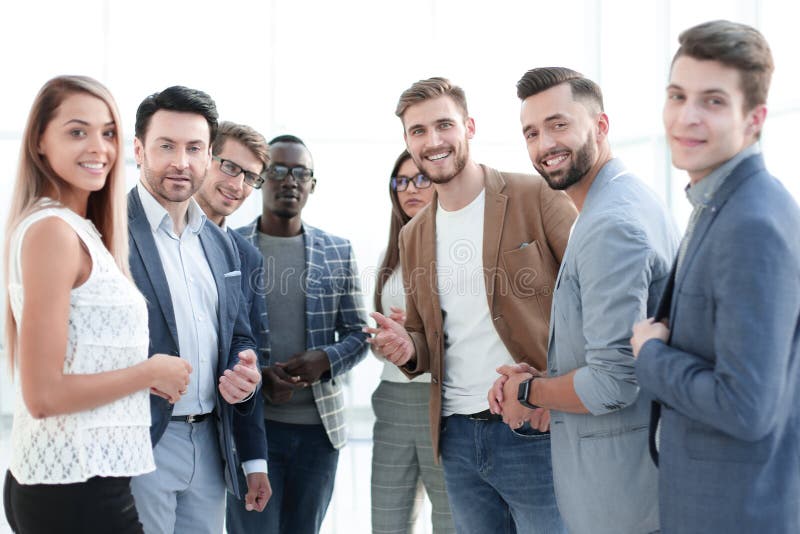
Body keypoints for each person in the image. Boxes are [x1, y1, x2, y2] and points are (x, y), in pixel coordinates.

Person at [367, 77, 576, 534]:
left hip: (532, 426)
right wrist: (409, 347)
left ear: (470, 127)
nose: (433, 141)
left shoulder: (535, 195)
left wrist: (555, 392)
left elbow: (590, 297)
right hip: (457, 437)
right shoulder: (414, 234)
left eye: (444, 125)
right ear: (407, 141)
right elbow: (429, 336)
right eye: (418, 131)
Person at [488, 67, 678, 534]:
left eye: (559, 125)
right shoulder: (619, 201)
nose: (544, 144)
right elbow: (620, 353)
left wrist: (527, 392)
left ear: (601, 126)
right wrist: (546, 382)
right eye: (531, 133)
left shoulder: (610, 224)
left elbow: (613, 383)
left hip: (625, 500)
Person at [630, 20, 800, 532]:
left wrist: (650, 355)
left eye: (714, 101)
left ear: (754, 119)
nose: (687, 117)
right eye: (677, 95)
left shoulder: (753, 223)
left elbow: (746, 407)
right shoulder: (719, 203)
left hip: (734, 512)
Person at [2, 75, 191, 534]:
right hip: (73, 491)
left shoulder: (81, 229)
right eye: (77, 131)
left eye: (108, 132)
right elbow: (44, 396)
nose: (98, 148)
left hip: (90, 482)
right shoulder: (52, 231)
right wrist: (148, 372)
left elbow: (81, 357)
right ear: (40, 141)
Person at [127, 86, 262, 534]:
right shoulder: (107, 229)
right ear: (139, 150)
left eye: (194, 148)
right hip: (141, 439)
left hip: (210, 443)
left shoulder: (221, 244)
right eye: (166, 146)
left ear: (208, 155)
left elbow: (237, 333)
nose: (181, 162)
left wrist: (244, 367)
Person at [232, 134, 369, 534]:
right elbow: (216, 336)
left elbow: (359, 333)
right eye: (277, 170)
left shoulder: (338, 251)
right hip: (252, 430)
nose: (289, 180)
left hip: (319, 435)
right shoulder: (230, 246)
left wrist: (325, 360)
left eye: (300, 173)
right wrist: (259, 378)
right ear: (260, 178)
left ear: (312, 184)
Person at [370, 150, 454, 534]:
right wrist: (384, 342)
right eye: (400, 182)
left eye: (421, 179)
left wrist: (417, 337)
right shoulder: (390, 254)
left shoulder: (458, 251)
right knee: (388, 522)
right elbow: (378, 332)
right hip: (392, 398)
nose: (410, 189)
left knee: (451, 522)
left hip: (442, 399)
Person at [193, 121, 273, 518]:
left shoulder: (246, 257)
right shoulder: (148, 233)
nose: (238, 185)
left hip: (212, 441)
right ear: (206, 157)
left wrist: (255, 462)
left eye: (250, 177)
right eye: (229, 166)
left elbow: (246, 356)